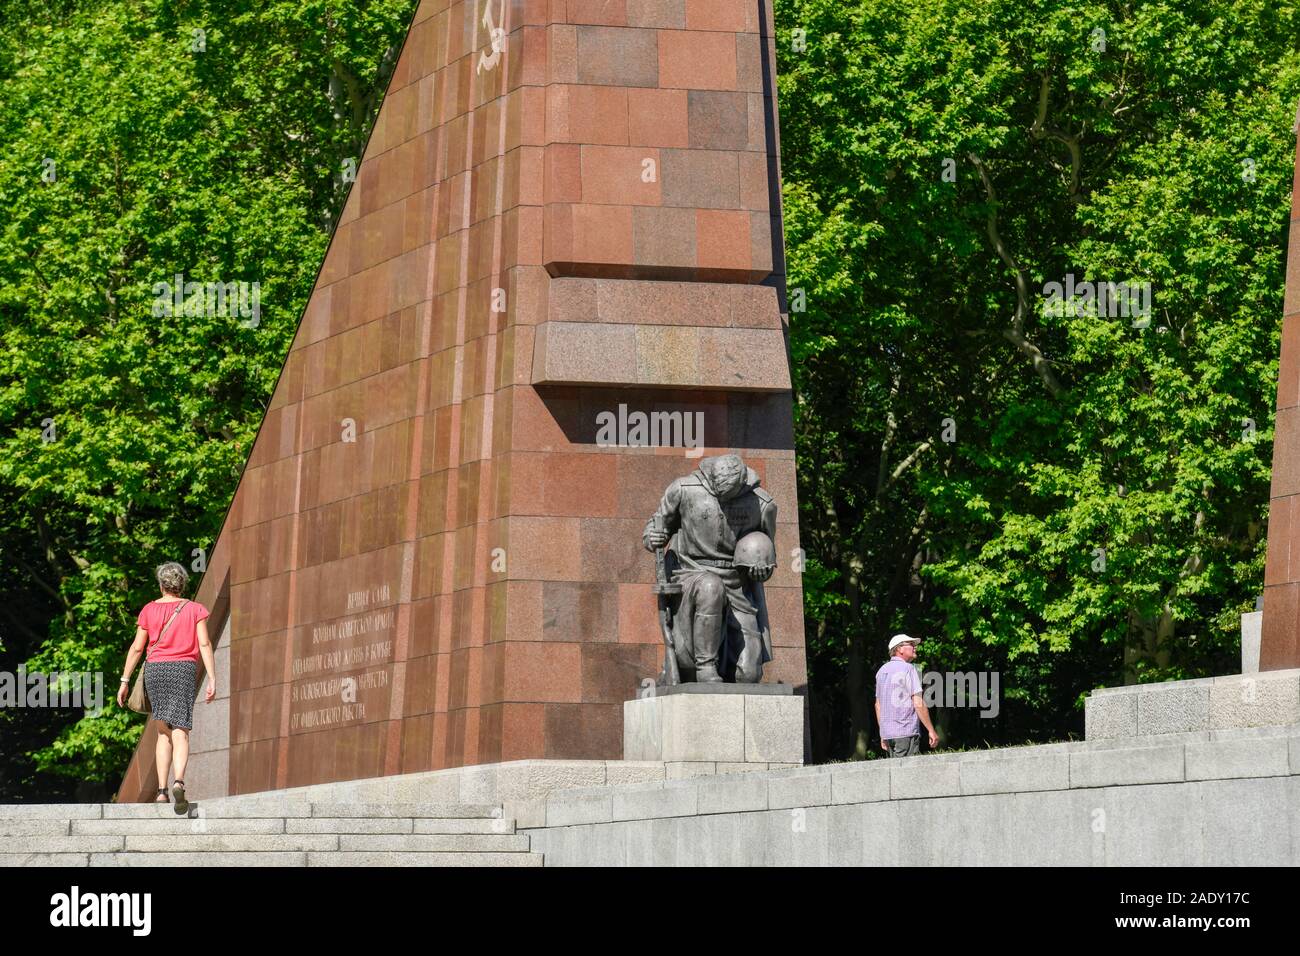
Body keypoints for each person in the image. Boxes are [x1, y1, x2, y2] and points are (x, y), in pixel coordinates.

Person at [642, 454, 776, 683]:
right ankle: (705, 667)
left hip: (736, 582)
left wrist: (762, 569)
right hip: (691, 572)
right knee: (710, 585)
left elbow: (767, 549)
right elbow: (654, 527)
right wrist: (652, 536)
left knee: (749, 675)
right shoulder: (683, 489)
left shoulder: (762, 504)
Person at [116, 562, 217, 813]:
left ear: (161, 585)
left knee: (162, 732)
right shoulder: (195, 609)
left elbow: (138, 648)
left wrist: (125, 680)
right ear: (182, 585)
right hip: (182, 669)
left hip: (156, 670)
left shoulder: (149, 610)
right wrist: (213, 678)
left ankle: (161, 792)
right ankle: (178, 781)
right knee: (180, 730)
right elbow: (204, 643)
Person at [874, 633, 938, 757]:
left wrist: (883, 733)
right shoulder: (909, 669)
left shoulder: (881, 671)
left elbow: (878, 705)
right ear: (899, 649)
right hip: (905, 732)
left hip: (888, 735)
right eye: (911, 644)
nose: (915, 647)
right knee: (906, 774)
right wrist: (931, 730)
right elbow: (918, 702)